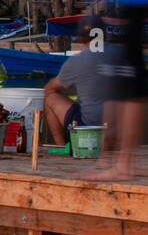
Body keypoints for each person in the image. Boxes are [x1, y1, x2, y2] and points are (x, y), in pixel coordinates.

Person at [88, 0, 148, 180]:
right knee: (117, 82)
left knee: (131, 86)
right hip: (126, 5)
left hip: (137, 4)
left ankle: (124, 164)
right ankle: (110, 157)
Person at [43, 16, 119, 145]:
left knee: (50, 98)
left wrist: (72, 89)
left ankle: (62, 147)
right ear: (105, 35)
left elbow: (49, 88)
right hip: (121, 127)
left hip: (91, 127)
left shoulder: (76, 61)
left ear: (82, 38)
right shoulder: (122, 55)